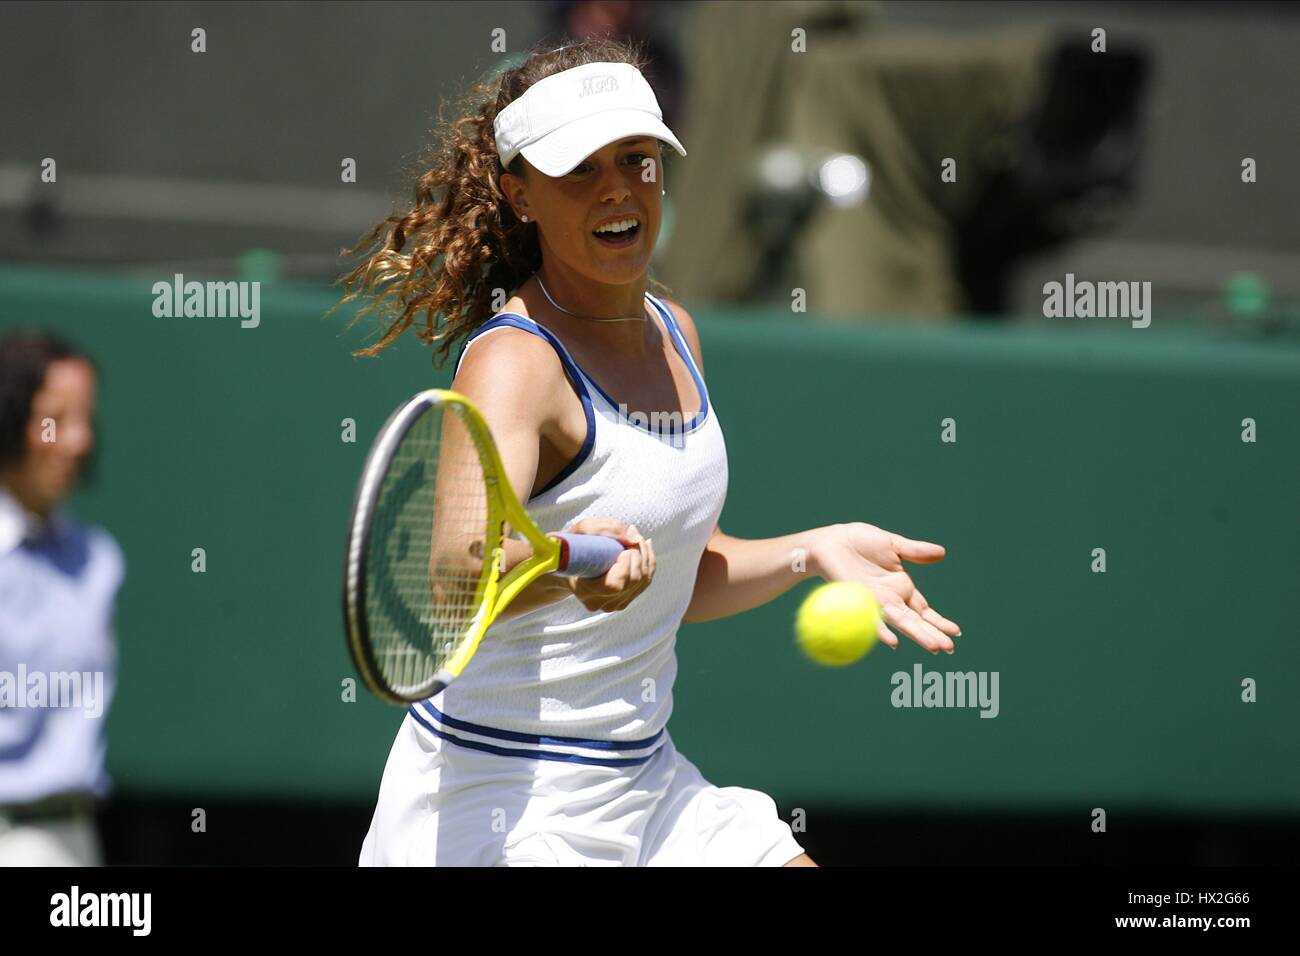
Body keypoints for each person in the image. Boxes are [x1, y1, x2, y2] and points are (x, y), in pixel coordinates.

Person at [338, 37, 960, 867]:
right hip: (499, 805)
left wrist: (811, 550)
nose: (618, 190)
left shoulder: (676, 331)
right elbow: (449, 584)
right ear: (520, 195)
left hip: (648, 785)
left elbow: (680, 571)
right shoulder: (516, 363)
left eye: (637, 159)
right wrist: (568, 565)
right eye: (580, 170)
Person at [0, 330, 123, 866]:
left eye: (85, 420)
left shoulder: (98, 562)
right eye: (56, 419)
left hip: (73, 841)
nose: (78, 441)